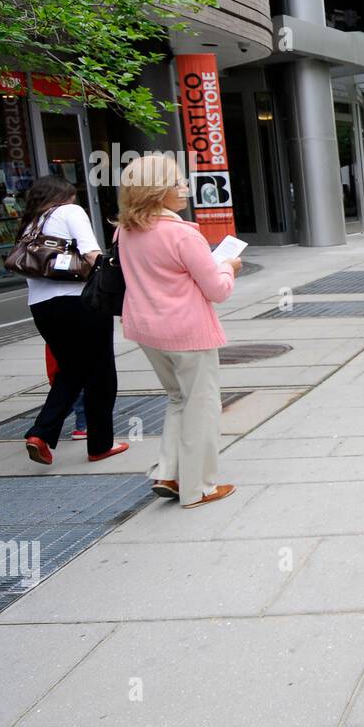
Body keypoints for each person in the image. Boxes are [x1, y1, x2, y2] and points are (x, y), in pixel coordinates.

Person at [117, 155, 241, 508]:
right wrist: (229, 267)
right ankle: (197, 488)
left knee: (177, 399)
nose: (185, 188)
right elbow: (217, 290)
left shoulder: (125, 230)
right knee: (201, 405)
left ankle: (168, 473)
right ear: (157, 191)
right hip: (186, 331)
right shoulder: (182, 234)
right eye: (177, 183)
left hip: (145, 329)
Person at [19, 176, 125, 465]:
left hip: (42, 308)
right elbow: (92, 254)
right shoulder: (70, 212)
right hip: (81, 302)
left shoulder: (31, 223)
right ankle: (100, 445)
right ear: (64, 195)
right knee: (101, 373)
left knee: (72, 371)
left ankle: (40, 433)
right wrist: (116, 283)